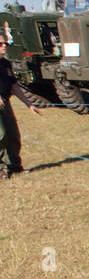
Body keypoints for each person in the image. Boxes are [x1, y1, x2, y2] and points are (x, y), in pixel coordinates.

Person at [0, 38, 41, 178]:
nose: (4, 46)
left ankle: (14, 166)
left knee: (13, 135)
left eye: (4, 43)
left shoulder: (5, 63)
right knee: (1, 135)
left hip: (5, 102)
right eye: (0, 44)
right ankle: (1, 169)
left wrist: (29, 104)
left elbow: (14, 86)